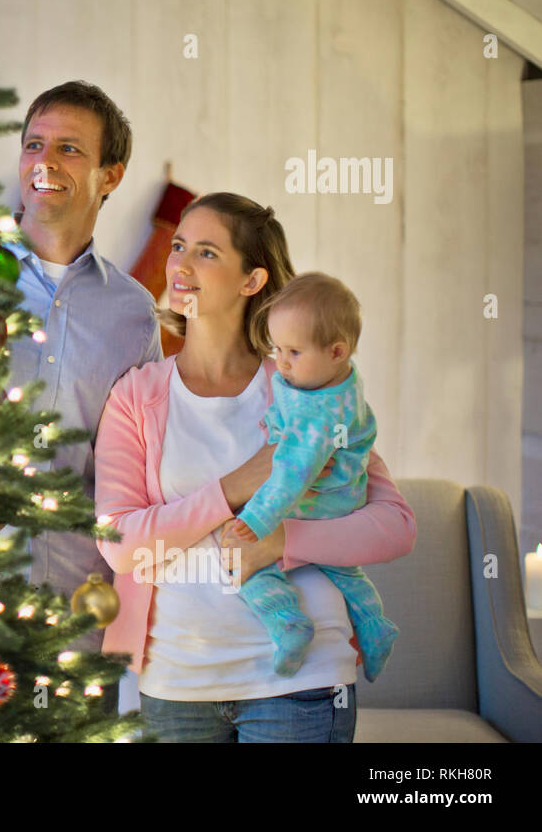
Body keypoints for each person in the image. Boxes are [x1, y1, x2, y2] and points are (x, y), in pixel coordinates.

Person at [92, 192, 415, 742]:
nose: (181, 265)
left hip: (302, 682)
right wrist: (236, 486)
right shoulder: (137, 396)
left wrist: (283, 540)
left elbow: (395, 526)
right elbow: (121, 543)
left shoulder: (303, 388)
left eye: (208, 252)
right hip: (177, 686)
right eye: (178, 246)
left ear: (252, 280)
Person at [4, 81, 162, 688]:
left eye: (69, 149)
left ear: (110, 175)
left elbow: (140, 467)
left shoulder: (134, 313)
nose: (43, 163)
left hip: (78, 611)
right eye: (33, 145)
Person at [229, 272, 399, 681]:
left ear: (337, 350)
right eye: (276, 349)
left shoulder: (316, 417)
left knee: (242, 560)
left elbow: (290, 474)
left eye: (293, 352)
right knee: (343, 570)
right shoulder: (334, 379)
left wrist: (257, 520)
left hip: (314, 502)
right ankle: (375, 625)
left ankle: (287, 621)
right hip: (341, 498)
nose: (280, 362)